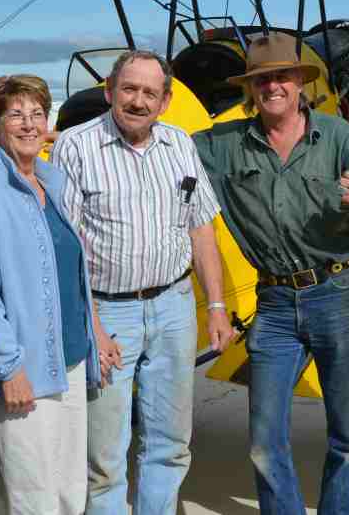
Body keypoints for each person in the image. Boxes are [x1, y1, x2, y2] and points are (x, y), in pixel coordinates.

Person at [192, 32, 349, 515]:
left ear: (300, 83)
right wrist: (79, 136)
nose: (272, 87)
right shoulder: (223, 145)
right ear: (251, 88)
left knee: (347, 435)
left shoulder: (338, 136)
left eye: (281, 76)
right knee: (264, 440)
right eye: (262, 79)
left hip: (337, 293)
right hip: (275, 304)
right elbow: (161, 146)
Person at [50, 50, 235, 515]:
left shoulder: (179, 144)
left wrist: (215, 306)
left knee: (171, 443)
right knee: (105, 455)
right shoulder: (75, 145)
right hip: (108, 311)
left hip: (173, 305)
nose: (138, 100)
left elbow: (200, 228)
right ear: (110, 91)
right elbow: (66, 247)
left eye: (150, 92)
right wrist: (92, 324)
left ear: (166, 101)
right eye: (129, 89)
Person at [0, 74, 119, 514]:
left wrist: (96, 334)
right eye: (16, 115)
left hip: (70, 360)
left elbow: (73, 275)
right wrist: (8, 367)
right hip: (23, 370)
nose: (29, 124)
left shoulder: (53, 181)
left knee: (70, 492)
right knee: (32, 498)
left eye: (37, 114)